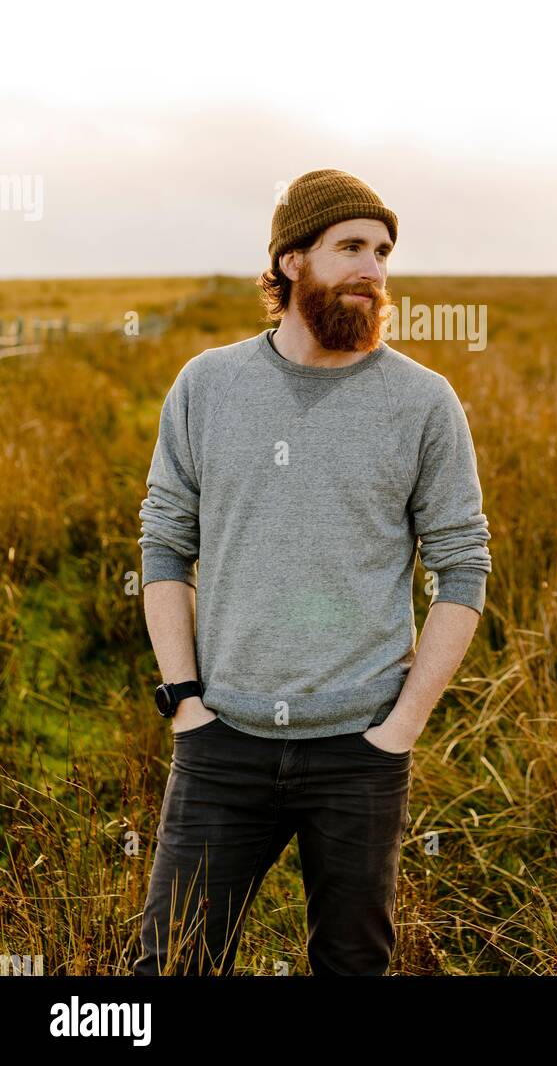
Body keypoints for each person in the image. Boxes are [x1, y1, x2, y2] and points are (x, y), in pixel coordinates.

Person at [132, 168, 492, 976]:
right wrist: (186, 702)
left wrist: (398, 730)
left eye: (384, 252)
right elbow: (163, 546)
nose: (374, 270)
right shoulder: (207, 386)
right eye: (352, 248)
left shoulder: (423, 403)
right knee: (172, 965)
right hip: (220, 743)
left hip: (358, 752)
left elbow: (462, 571)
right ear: (292, 260)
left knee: (351, 964)